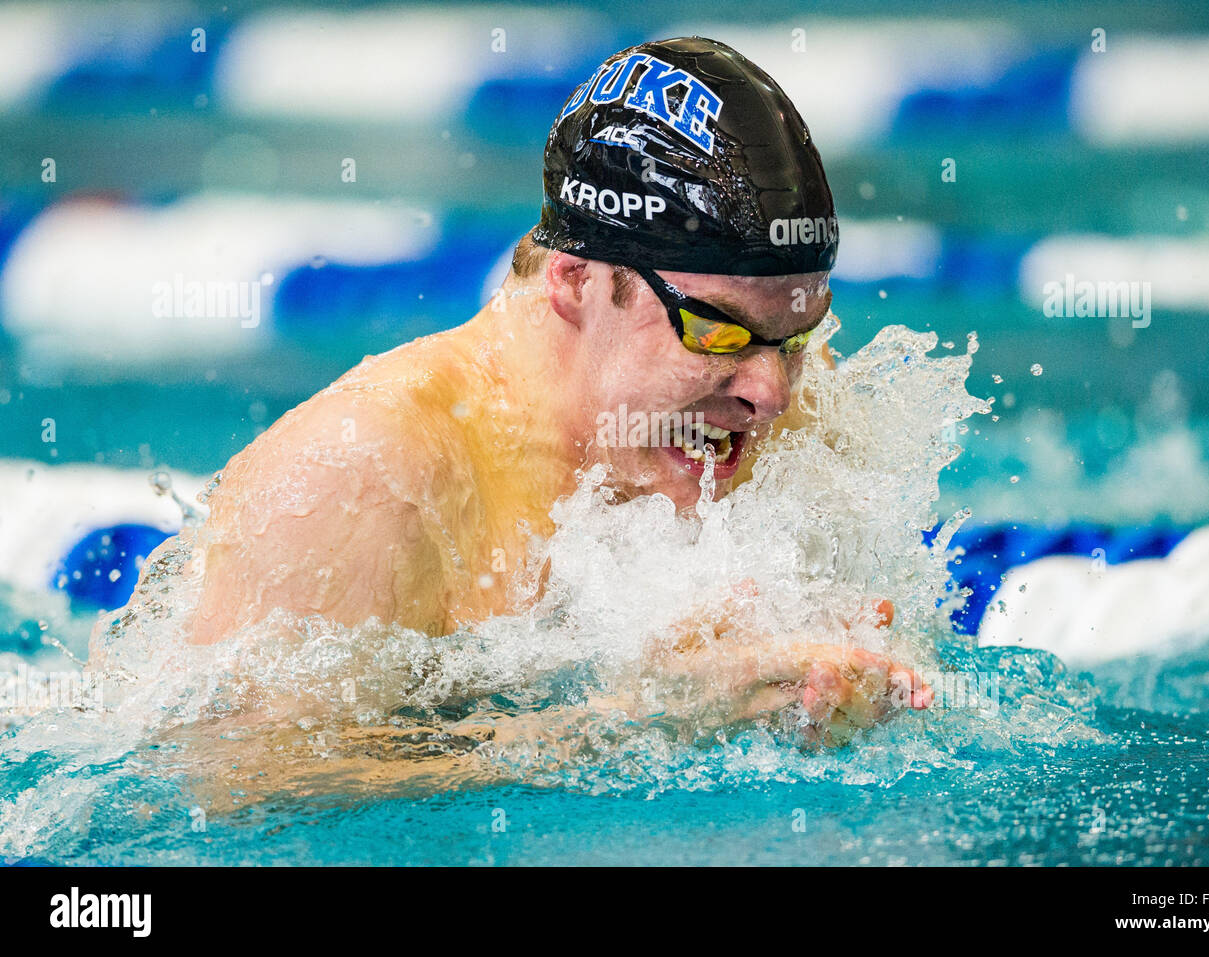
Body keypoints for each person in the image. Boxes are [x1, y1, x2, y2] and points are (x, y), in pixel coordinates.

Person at [111, 36, 931, 740]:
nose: (773, 394)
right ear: (574, 281)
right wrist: (634, 720)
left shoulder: (772, 411)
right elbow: (248, 787)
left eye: (794, 339)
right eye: (717, 331)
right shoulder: (368, 478)